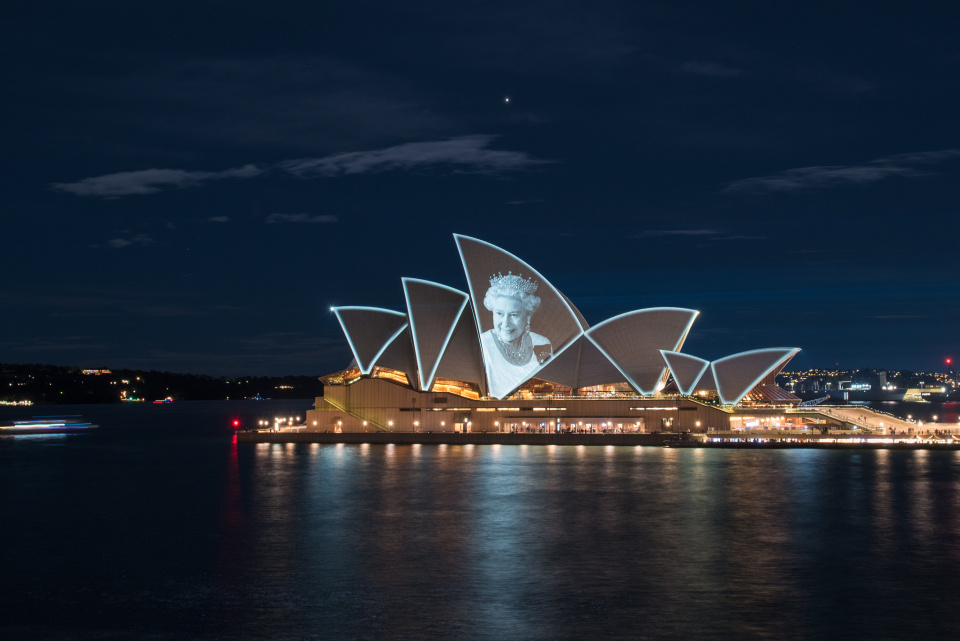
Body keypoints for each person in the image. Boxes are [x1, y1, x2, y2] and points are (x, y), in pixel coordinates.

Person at [480, 272, 552, 398]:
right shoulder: (482, 344)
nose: (506, 323)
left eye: (514, 315)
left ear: (528, 316)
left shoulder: (542, 342)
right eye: (499, 314)